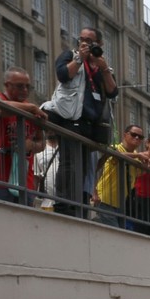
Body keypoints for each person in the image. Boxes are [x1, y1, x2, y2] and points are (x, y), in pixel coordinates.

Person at [46, 27, 118, 218]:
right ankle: (63, 204)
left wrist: (103, 67)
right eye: (81, 40)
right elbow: (62, 75)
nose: (84, 44)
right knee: (69, 162)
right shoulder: (70, 55)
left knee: (84, 167)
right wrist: (79, 58)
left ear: (100, 45)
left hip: (90, 124)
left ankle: (77, 204)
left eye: (90, 41)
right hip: (71, 117)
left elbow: (112, 91)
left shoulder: (101, 67)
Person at [0, 67, 47, 203]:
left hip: (24, 181)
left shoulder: (30, 109)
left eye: (27, 87)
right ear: (7, 85)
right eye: (20, 86)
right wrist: (32, 108)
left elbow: (42, 144)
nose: (24, 90)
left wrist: (31, 145)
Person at [93, 123, 144, 227]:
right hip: (105, 199)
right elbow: (117, 155)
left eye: (140, 137)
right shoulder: (116, 148)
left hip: (121, 204)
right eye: (134, 134)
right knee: (114, 232)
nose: (137, 138)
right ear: (125, 135)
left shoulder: (138, 158)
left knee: (118, 234)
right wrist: (94, 193)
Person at [32, 133, 60, 210]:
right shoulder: (39, 150)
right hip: (48, 202)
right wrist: (32, 199)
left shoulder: (65, 147)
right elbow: (36, 177)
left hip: (65, 201)